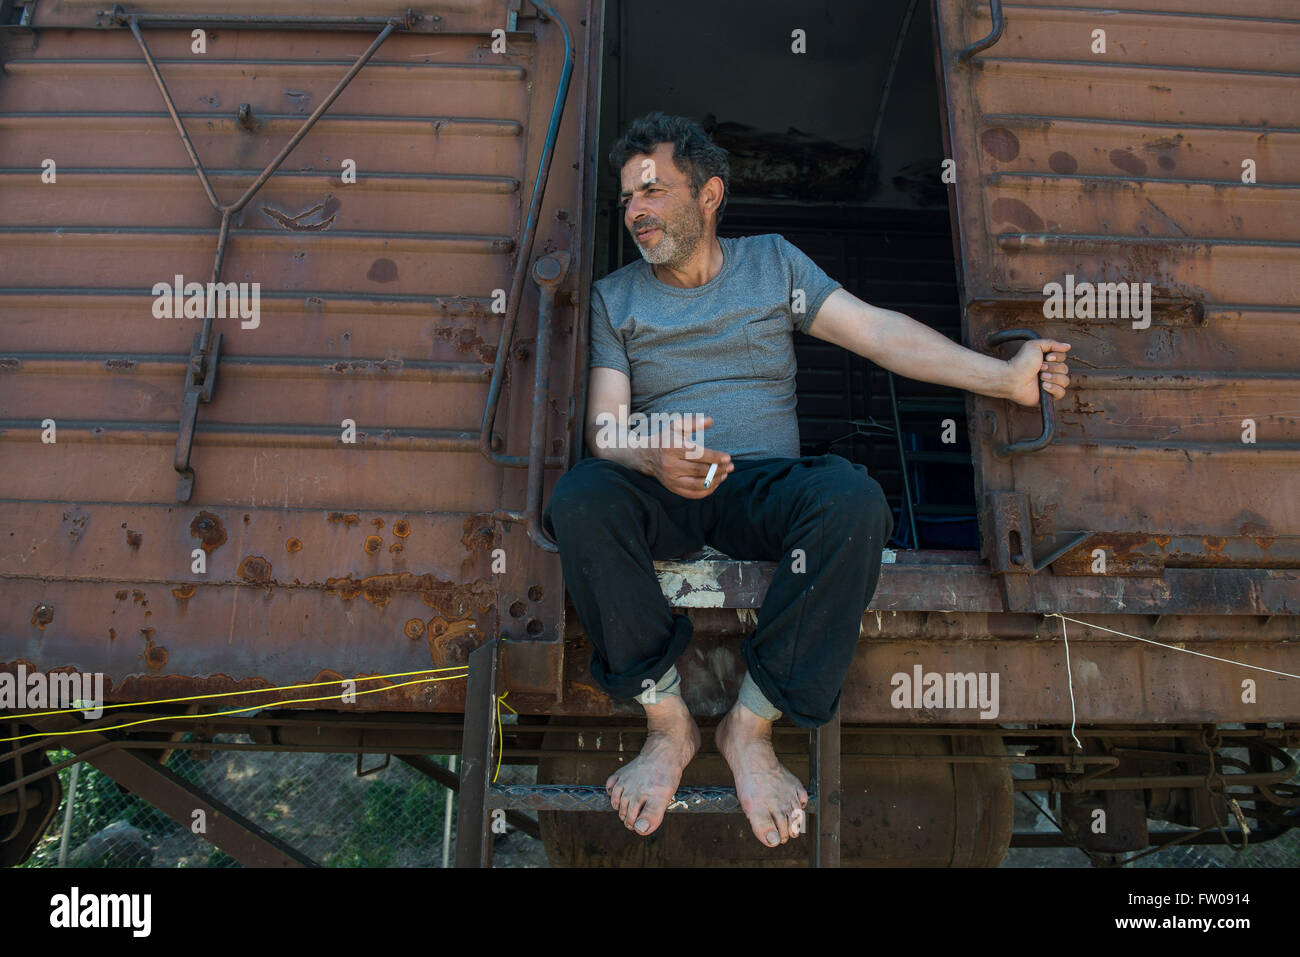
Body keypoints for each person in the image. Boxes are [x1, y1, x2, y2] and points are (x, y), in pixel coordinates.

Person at [542, 112, 1071, 849]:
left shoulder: (773, 266)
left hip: (764, 485)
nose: (635, 210)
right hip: (663, 482)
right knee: (580, 498)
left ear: (709, 194)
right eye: (628, 196)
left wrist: (1006, 381)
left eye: (653, 191)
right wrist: (651, 453)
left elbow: (878, 333)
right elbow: (605, 428)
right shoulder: (615, 298)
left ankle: (749, 728)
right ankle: (667, 725)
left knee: (852, 499)